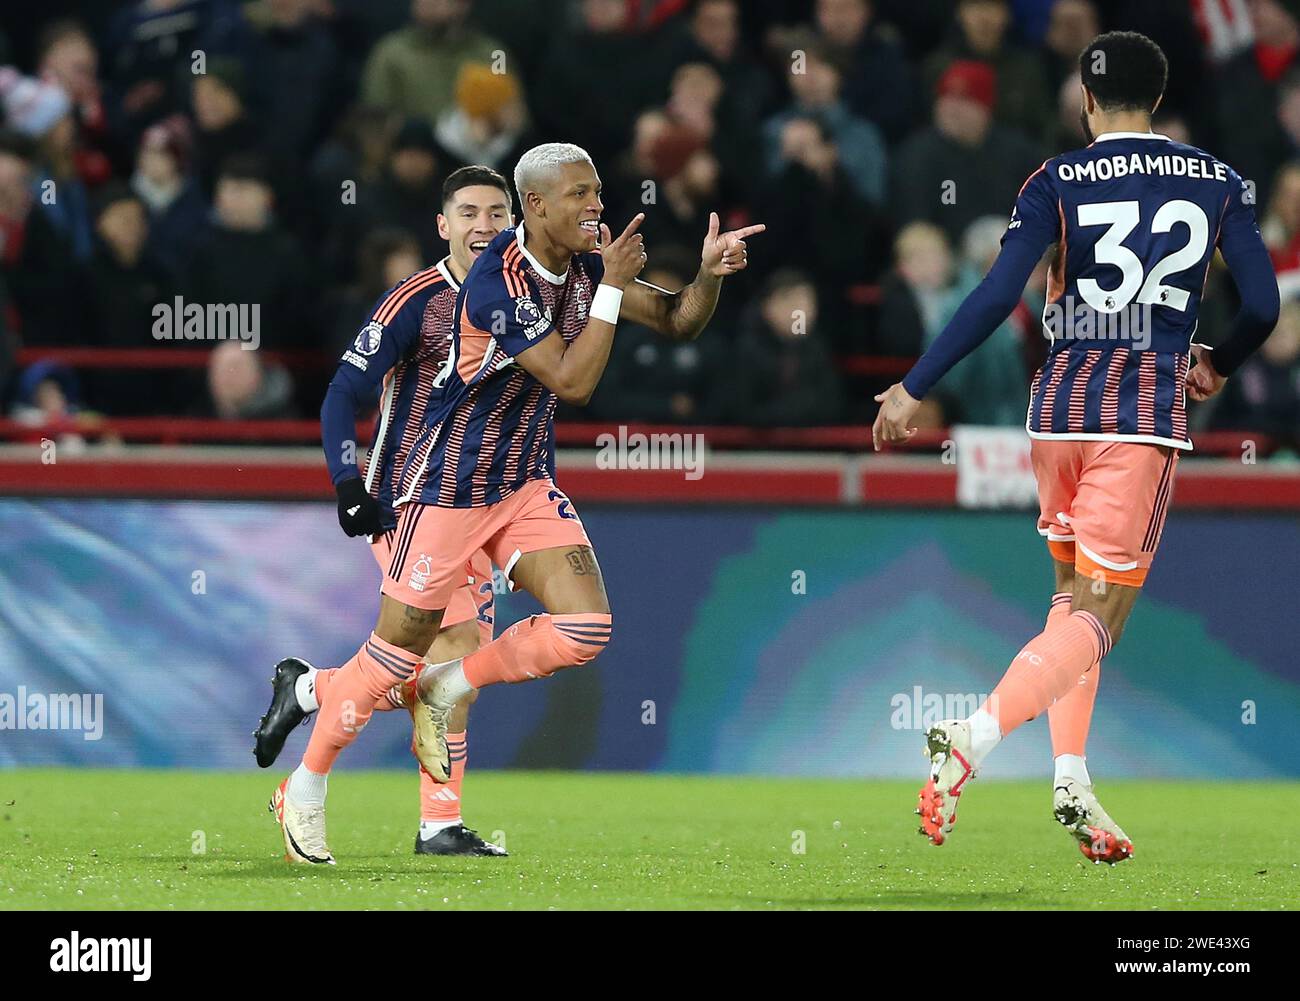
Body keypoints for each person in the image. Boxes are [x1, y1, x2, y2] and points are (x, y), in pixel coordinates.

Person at [263, 142, 761, 863]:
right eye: (580, 195)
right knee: (392, 656)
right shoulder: (494, 285)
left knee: (586, 627)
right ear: (536, 206)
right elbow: (572, 381)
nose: (597, 206)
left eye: (597, 191)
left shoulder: (590, 269)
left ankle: (444, 699)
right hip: (442, 491)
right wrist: (348, 484)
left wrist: (710, 277)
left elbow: (681, 319)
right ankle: (304, 789)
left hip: (523, 485)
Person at [871, 32, 1280, 863]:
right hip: (1140, 414)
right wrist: (1217, 363)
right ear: (1156, 101)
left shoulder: (1055, 179)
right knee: (1104, 614)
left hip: (1058, 409)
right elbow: (1265, 308)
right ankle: (974, 733)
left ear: (1088, 102)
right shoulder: (1217, 183)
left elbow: (994, 294)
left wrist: (914, 384)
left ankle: (1070, 778)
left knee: (1070, 597)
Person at [254, 166, 515, 860]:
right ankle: (313, 791)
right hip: (410, 502)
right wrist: (346, 481)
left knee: (453, 676)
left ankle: (315, 690)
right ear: (444, 225)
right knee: (453, 657)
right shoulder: (416, 302)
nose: (483, 225)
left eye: (496, 212)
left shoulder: (526, 302)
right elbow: (342, 392)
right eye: (468, 212)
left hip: (486, 509)